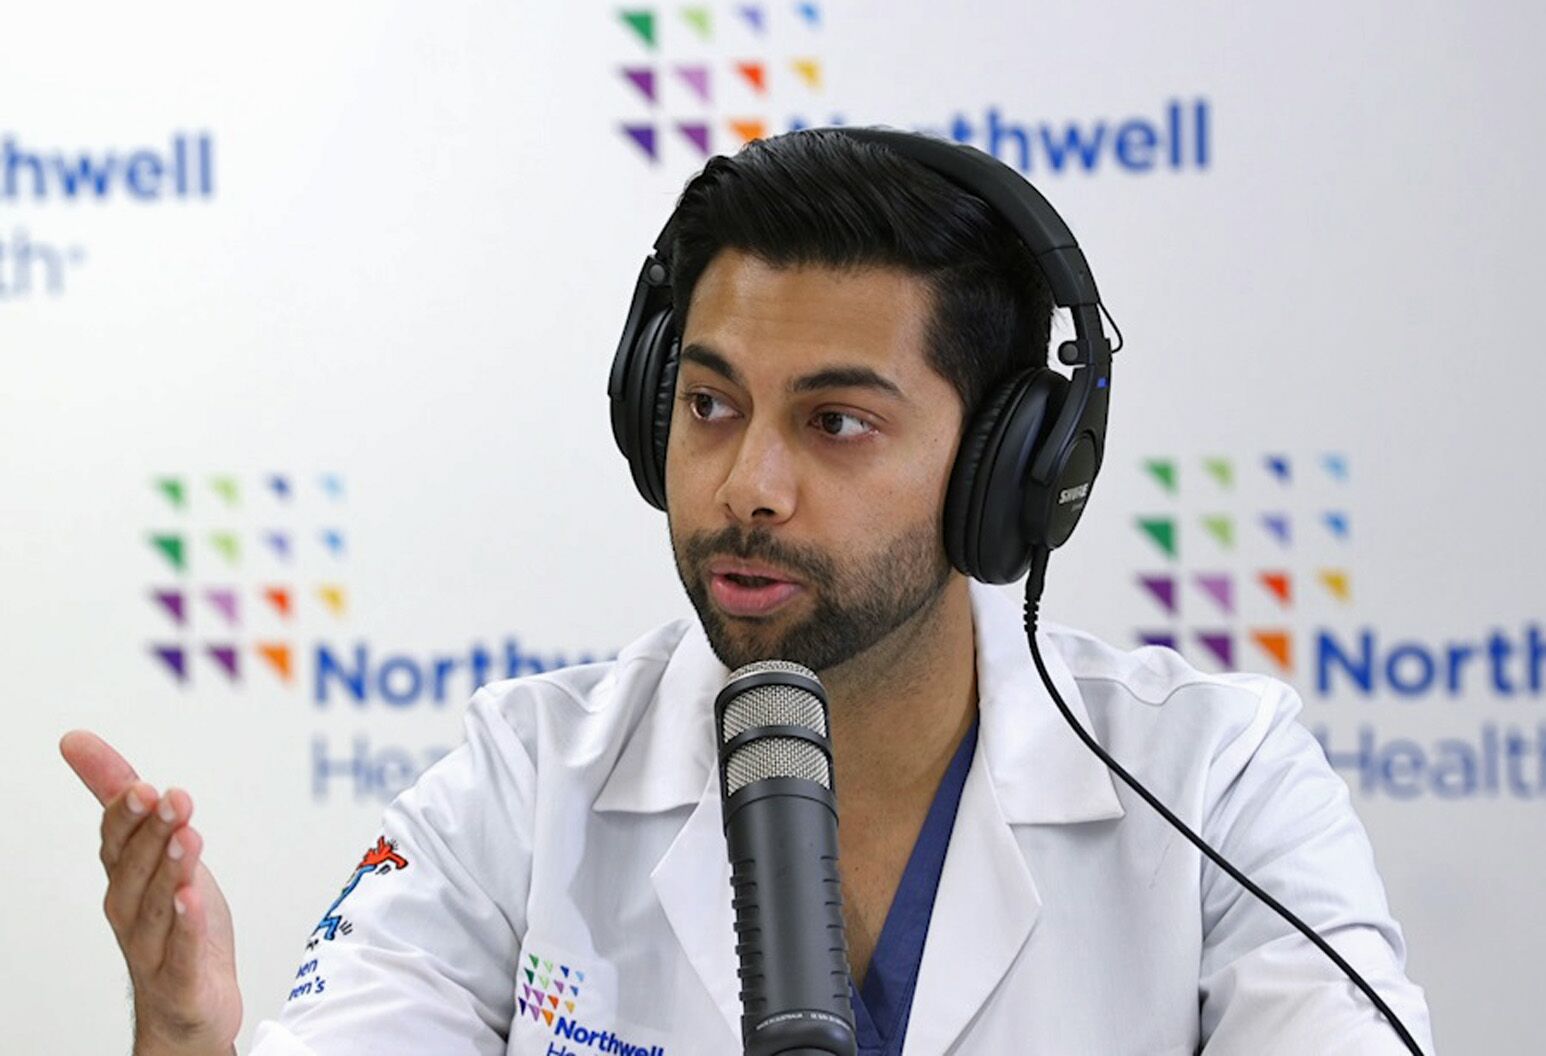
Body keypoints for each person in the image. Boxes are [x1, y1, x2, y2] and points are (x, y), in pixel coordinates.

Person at [61, 127, 1436, 1055]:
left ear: (1011, 465)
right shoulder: (522, 780)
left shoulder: (1212, 781)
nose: (748, 484)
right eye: (710, 404)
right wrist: (188, 1040)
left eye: (836, 422)